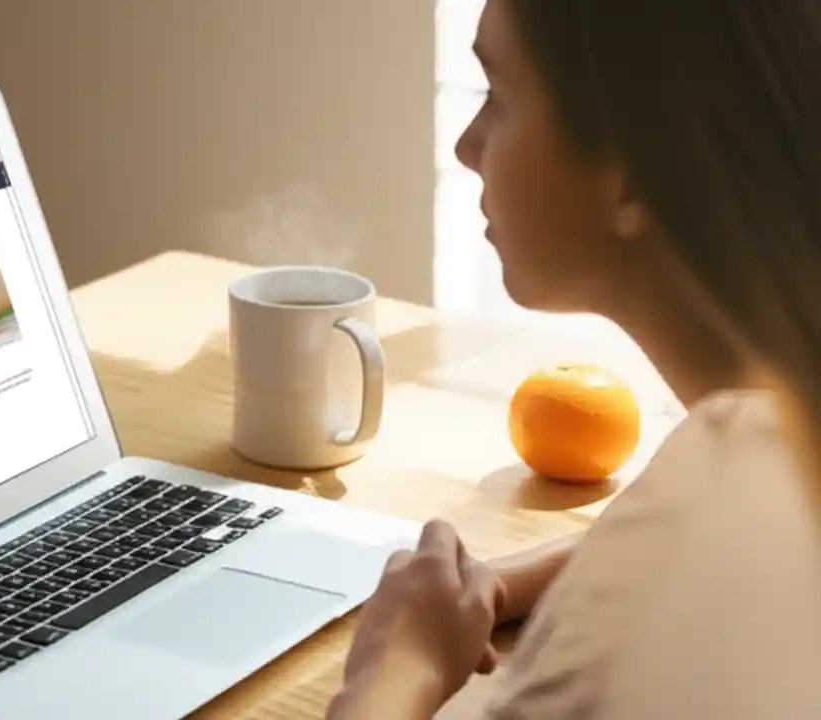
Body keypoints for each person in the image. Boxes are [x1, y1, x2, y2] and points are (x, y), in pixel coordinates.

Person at [327, 1, 821, 717]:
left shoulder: (710, 504)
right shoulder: (764, 452)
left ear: (635, 160)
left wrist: (395, 666)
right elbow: (674, 540)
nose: (467, 146)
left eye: (497, 95)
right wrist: (498, 581)